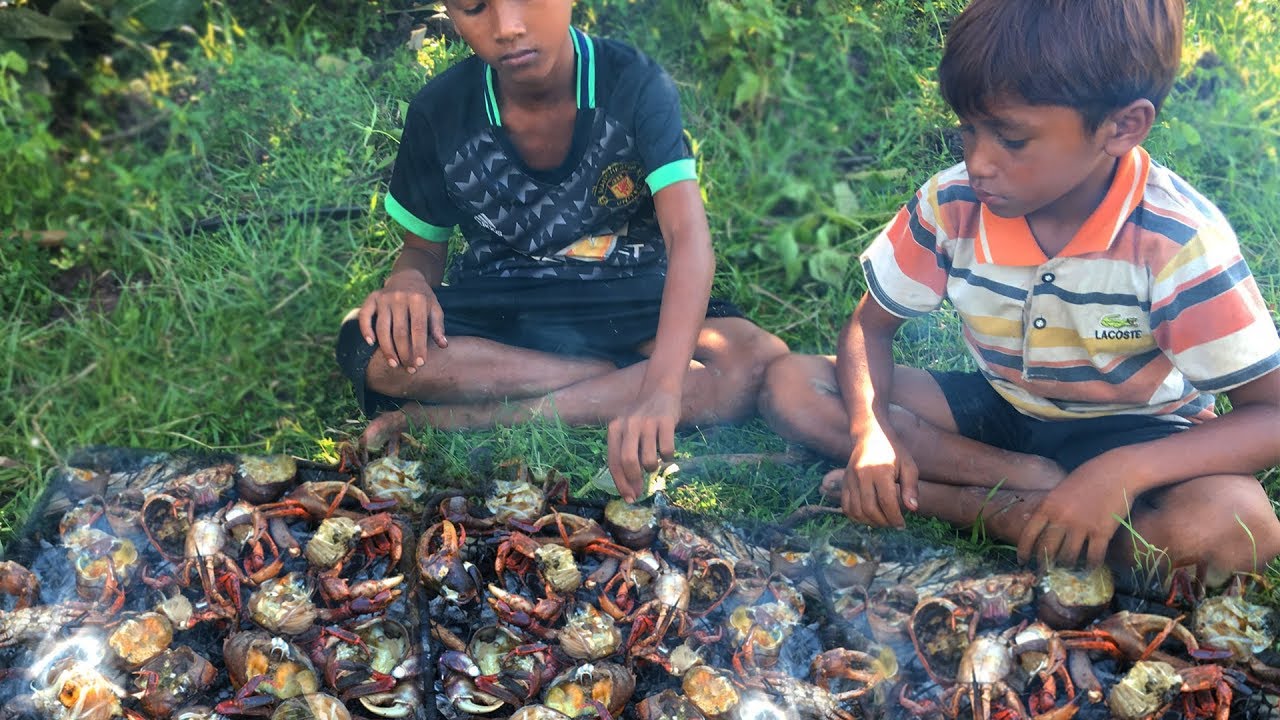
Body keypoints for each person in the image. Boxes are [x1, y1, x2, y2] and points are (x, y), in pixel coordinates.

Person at [759, 0, 1280, 588]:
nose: (977, 162)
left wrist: (1123, 472)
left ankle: (951, 500)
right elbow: (868, 329)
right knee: (793, 385)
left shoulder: (1176, 243)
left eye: (1010, 138)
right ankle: (1029, 485)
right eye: (968, 131)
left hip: (1138, 429)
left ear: (1122, 126)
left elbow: (1272, 414)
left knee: (1236, 528)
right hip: (1000, 407)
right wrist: (871, 431)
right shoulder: (953, 203)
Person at [335, 0, 788, 501]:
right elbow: (422, 250)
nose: (507, 27)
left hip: (629, 298)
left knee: (751, 360)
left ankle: (477, 416)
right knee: (368, 345)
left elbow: (688, 239)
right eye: (473, 7)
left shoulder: (633, 83)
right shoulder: (439, 112)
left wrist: (663, 391)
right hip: (504, 304)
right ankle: (605, 378)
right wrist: (407, 283)